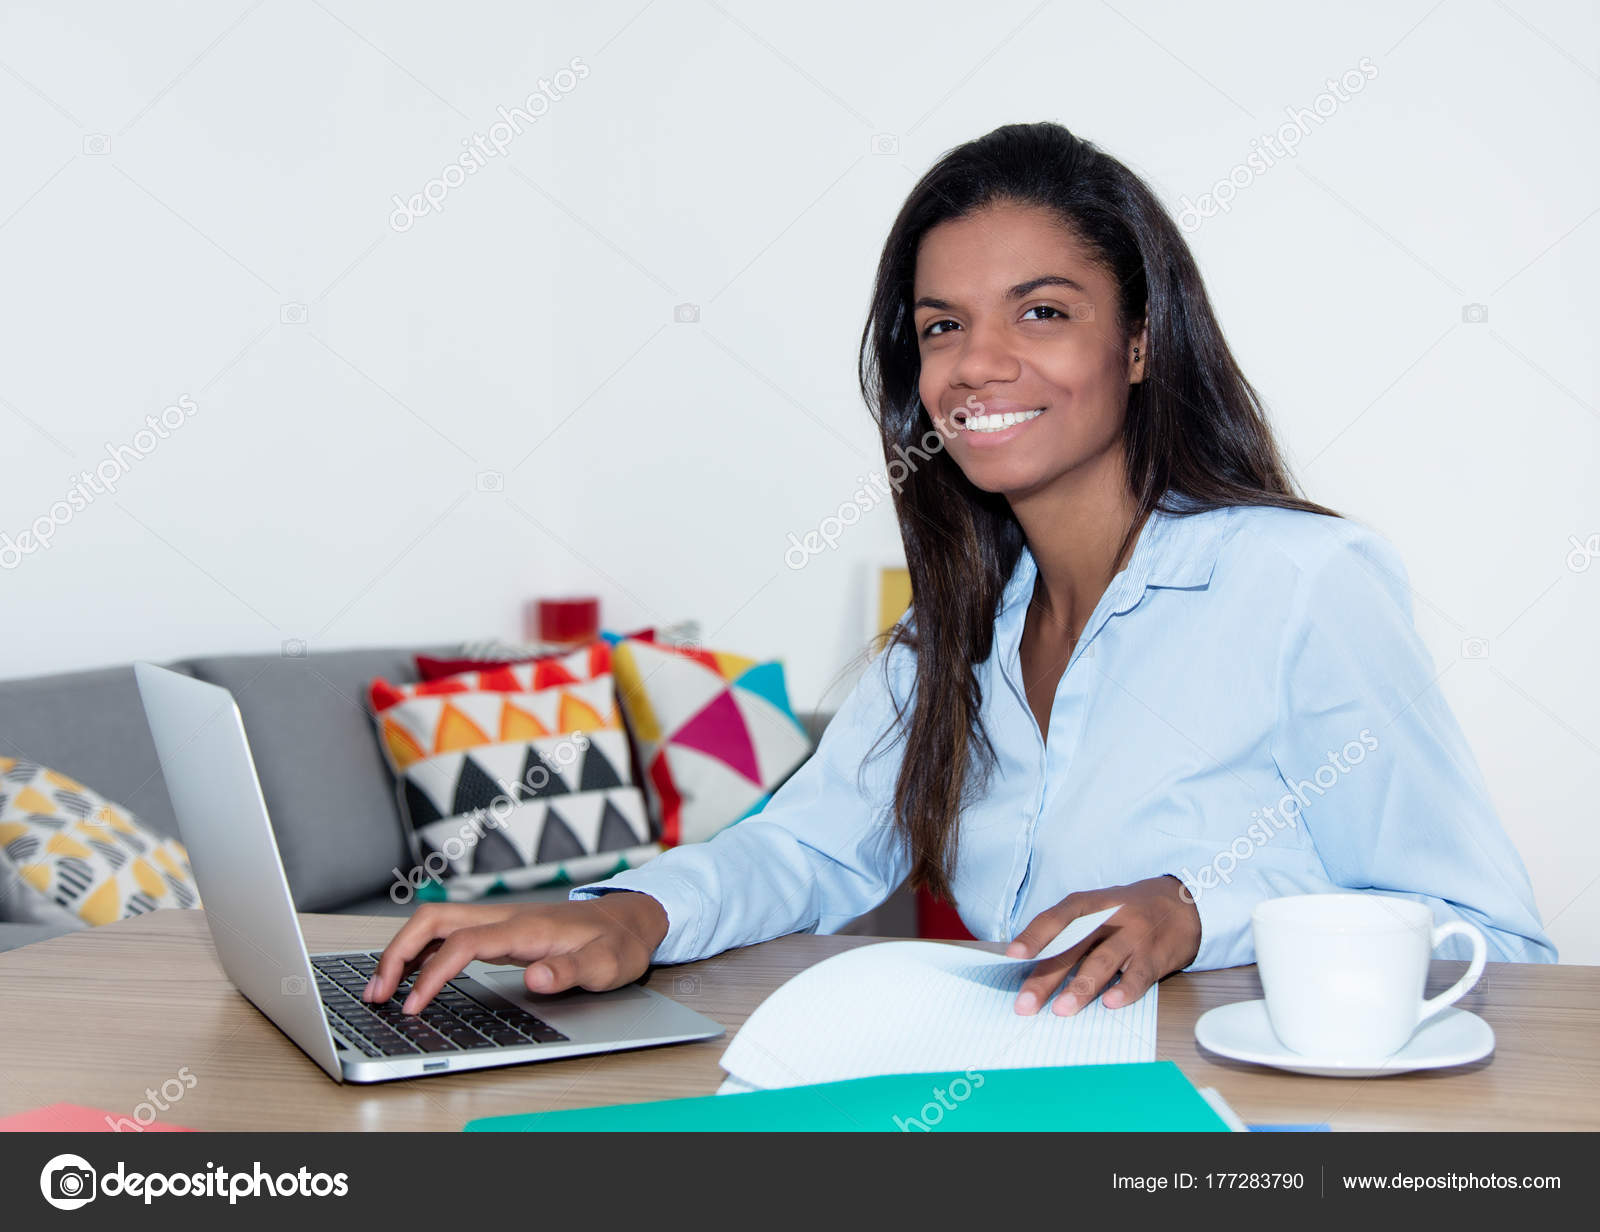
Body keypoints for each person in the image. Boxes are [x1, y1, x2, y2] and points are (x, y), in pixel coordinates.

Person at [366, 121, 1555, 1021]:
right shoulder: (953, 634)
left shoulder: (1299, 581)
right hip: (1019, 1094)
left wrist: (1198, 910)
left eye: (1040, 312)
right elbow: (811, 847)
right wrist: (627, 914)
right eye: (941, 325)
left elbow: (1488, 936)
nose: (977, 363)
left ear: (1139, 343)